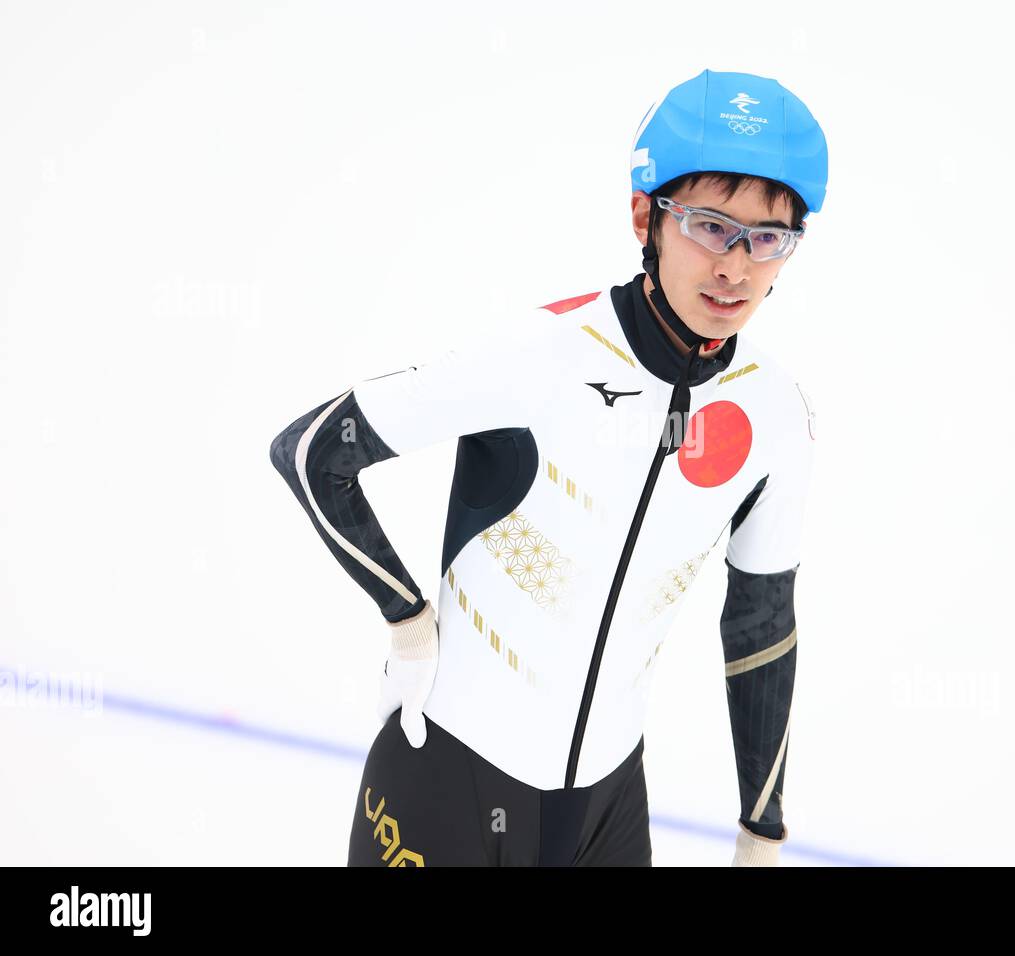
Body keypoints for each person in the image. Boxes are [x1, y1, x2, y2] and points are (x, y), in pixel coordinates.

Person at [268, 67, 827, 866]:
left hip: (605, 815)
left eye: (767, 238)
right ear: (646, 214)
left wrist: (760, 828)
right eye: (709, 225)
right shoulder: (543, 355)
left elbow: (761, 625)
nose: (735, 266)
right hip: (448, 781)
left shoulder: (775, 415)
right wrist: (405, 618)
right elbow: (313, 449)